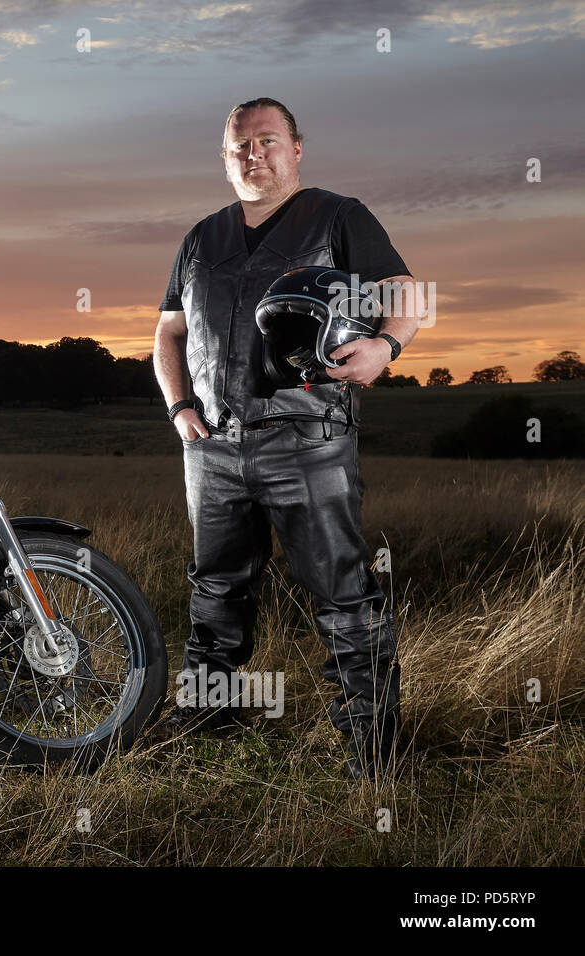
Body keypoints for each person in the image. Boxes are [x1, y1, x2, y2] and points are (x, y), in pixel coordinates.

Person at [153, 97, 424, 780]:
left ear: (296, 148)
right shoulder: (200, 237)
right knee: (215, 591)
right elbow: (168, 333)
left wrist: (385, 347)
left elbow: (407, 291)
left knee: (342, 594)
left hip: (307, 438)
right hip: (212, 446)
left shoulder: (337, 216)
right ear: (224, 156)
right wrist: (180, 407)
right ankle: (207, 729)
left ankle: (372, 754)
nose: (255, 154)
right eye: (241, 145)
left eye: (268, 141)